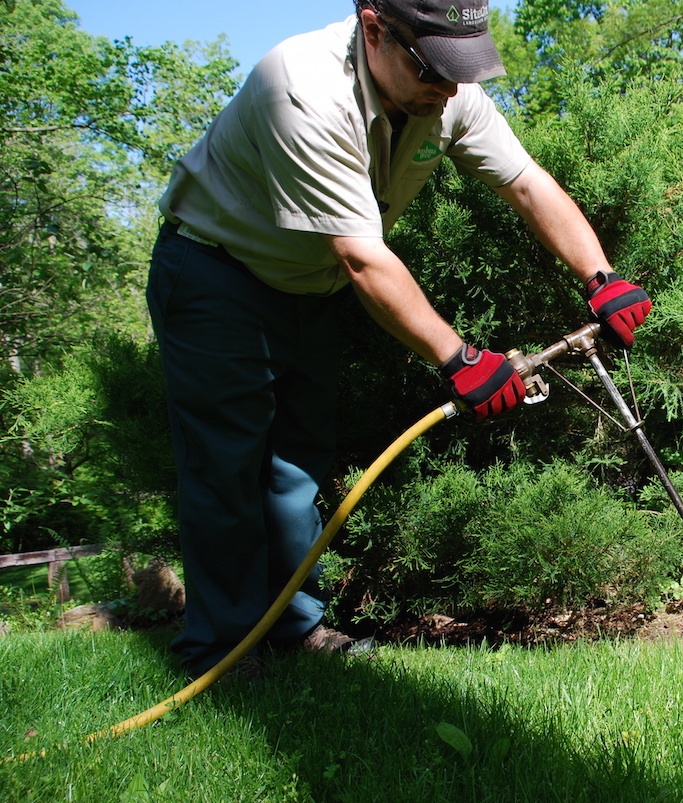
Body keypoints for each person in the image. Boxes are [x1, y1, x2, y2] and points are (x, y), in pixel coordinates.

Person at [147, 0, 652, 677]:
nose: (449, 86)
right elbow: (363, 258)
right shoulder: (301, 85)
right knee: (226, 469)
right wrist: (460, 359)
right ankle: (223, 651)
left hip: (308, 288)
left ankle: (293, 631)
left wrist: (602, 278)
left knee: (296, 471)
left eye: (460, 69)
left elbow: (526, 183)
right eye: (433, 68)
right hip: (216, 272)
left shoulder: (446, 92)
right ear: (373, 28)